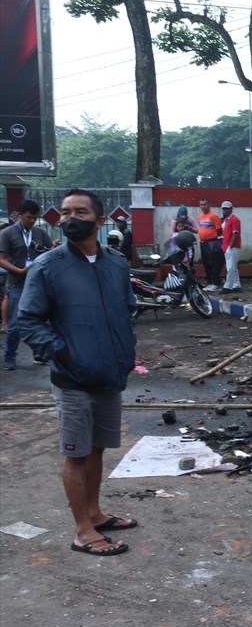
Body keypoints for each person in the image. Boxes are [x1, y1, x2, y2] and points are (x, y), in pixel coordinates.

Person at [18, 189, 138, 556]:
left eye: (80, 212)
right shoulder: (48, 266)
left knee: (98, 449)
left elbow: (127, 309)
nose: (71, 218)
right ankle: (83, 531)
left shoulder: (116, 263)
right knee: (76, 452)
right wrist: (64, 353)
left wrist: (124, 351)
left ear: (99, 221)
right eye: (66, 211)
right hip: (72, 378)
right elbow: (28, 320)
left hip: (110, 374)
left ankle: (96, 513)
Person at [0, 200, 58, 370]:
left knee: (40, 320)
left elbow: (49, 253)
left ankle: (39, 354)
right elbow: (1, 259)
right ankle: (9, 357)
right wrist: (19, 270)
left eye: (34, 218)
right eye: (29, 217)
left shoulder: (39, 233)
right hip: (17, 284)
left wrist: (54, 247)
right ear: (19, 215)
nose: (32, 221)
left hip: (37, 284)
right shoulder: (7, 234)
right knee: (16, 324)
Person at [196, 198, 224, 292]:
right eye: (201, 205)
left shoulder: (213, 216)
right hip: (203, 243)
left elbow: (219, 230)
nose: (203, 207)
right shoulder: (200, 217)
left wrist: (213, 237)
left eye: (205, 204)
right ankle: (210, 282)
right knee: (206, 263)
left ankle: (216, 283)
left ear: (209, 205)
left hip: (212, 242)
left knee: (214, 263)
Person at [220, 201, 242, 293]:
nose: (225, 211)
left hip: (232, 246)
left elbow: (235, 234)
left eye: (226, 208)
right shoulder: (226, 220)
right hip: (227, 246)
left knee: (230, 267)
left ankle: (228, 286)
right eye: (223, 209)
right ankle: (236, 285)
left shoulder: (234, 219)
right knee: (233, 267)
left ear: (231, 209)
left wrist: (230, 246)